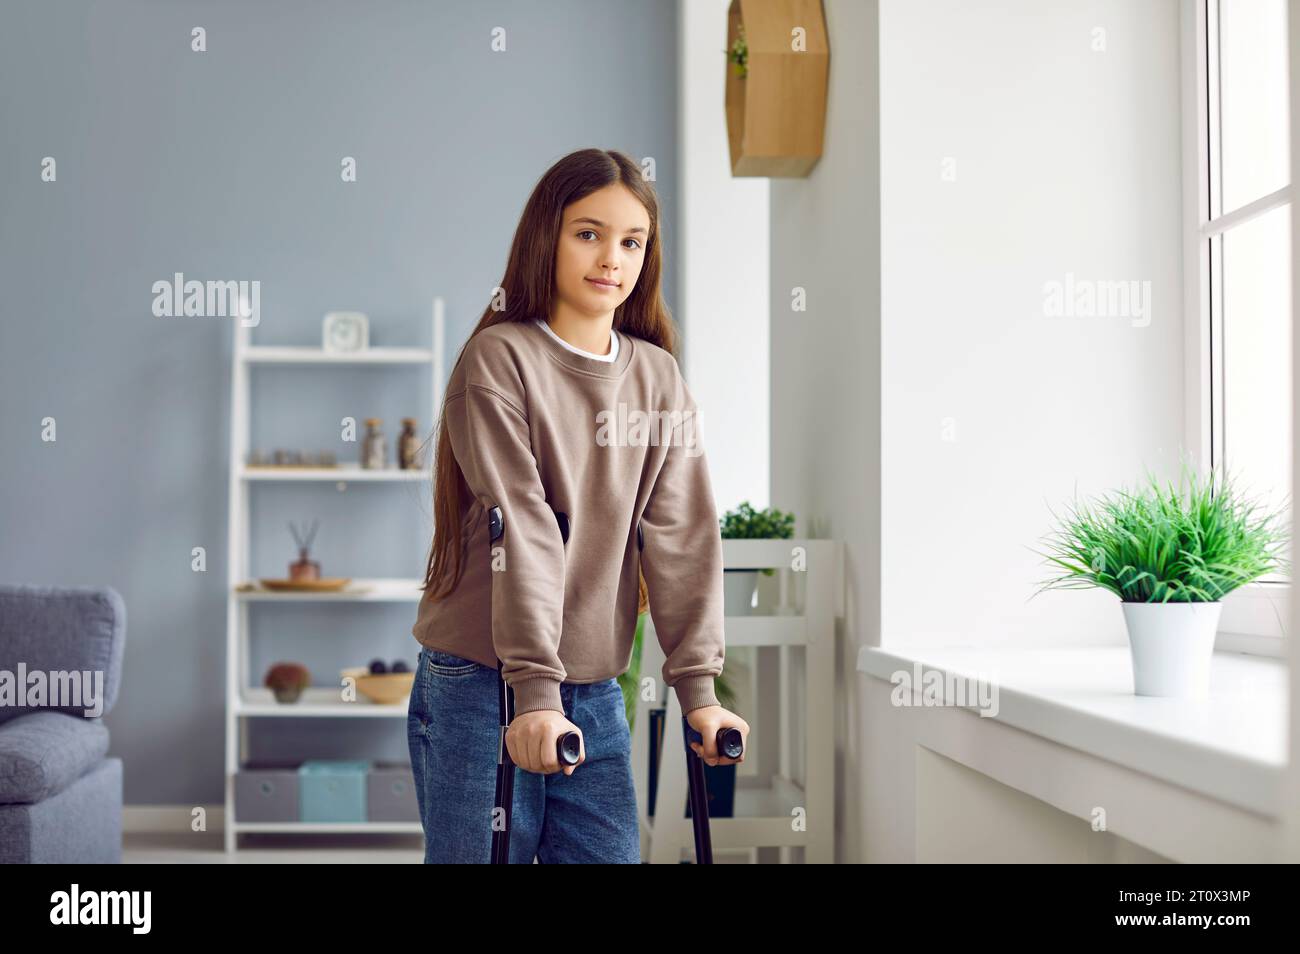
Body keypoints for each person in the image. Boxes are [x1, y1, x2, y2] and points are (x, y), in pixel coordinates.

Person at [407, 147, 749, 863]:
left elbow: (683, 534)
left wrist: (699, 690)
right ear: (547, 239)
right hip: (483, 683)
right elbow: (521, 526)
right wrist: (533, 692)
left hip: (593, 688)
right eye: (588, 233)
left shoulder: (657, 377)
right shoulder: (500, 361)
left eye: (632, 242)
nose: (612, 259)